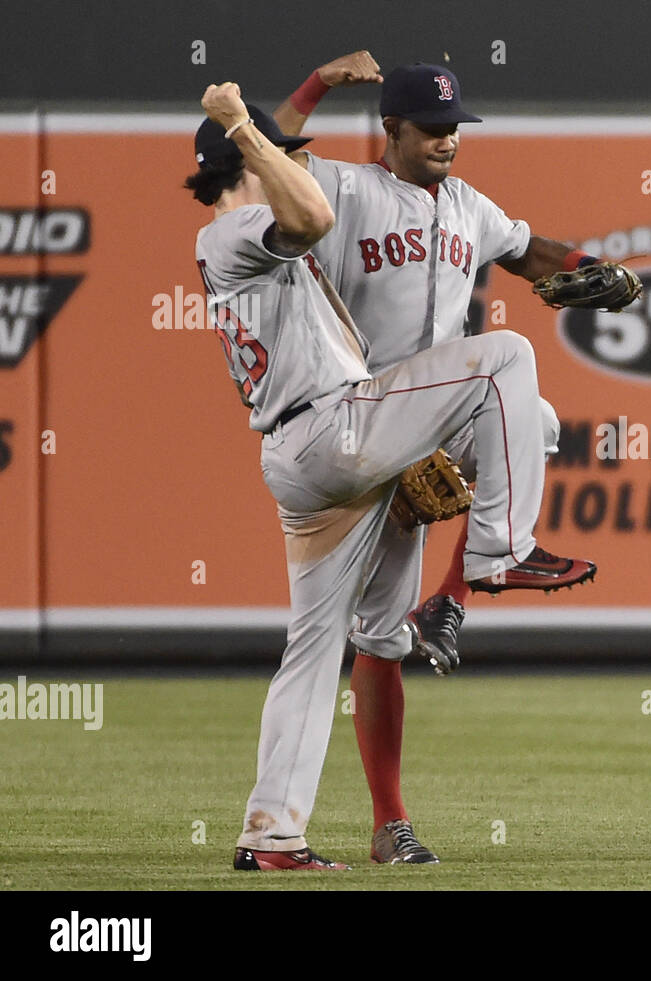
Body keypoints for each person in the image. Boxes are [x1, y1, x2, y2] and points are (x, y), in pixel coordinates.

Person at [188, 81, 595, 870]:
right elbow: (310, 211)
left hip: (309, 456)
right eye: (275, 155)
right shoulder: (236, 228)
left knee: (310, 652)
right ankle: (495, 555)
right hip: (332, 427)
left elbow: (297, 179)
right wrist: (243, 123)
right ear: (245, 159)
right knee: (506, 357)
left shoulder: (244, 226)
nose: (296, 163)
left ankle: (272, 835)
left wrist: (292, 105)